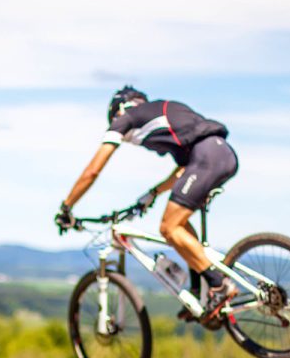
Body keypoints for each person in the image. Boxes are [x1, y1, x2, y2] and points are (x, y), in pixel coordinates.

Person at [55, 86, 240, 321]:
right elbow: (182, 171)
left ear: (119, 110)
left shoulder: (127, 118)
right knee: (180, 223)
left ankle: (218, 284)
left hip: (207, 157)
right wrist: (152, 194)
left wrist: (67, 207)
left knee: (168, 227)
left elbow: (93, 171)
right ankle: (199, 290)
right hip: (221, 153)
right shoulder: (160, 112)